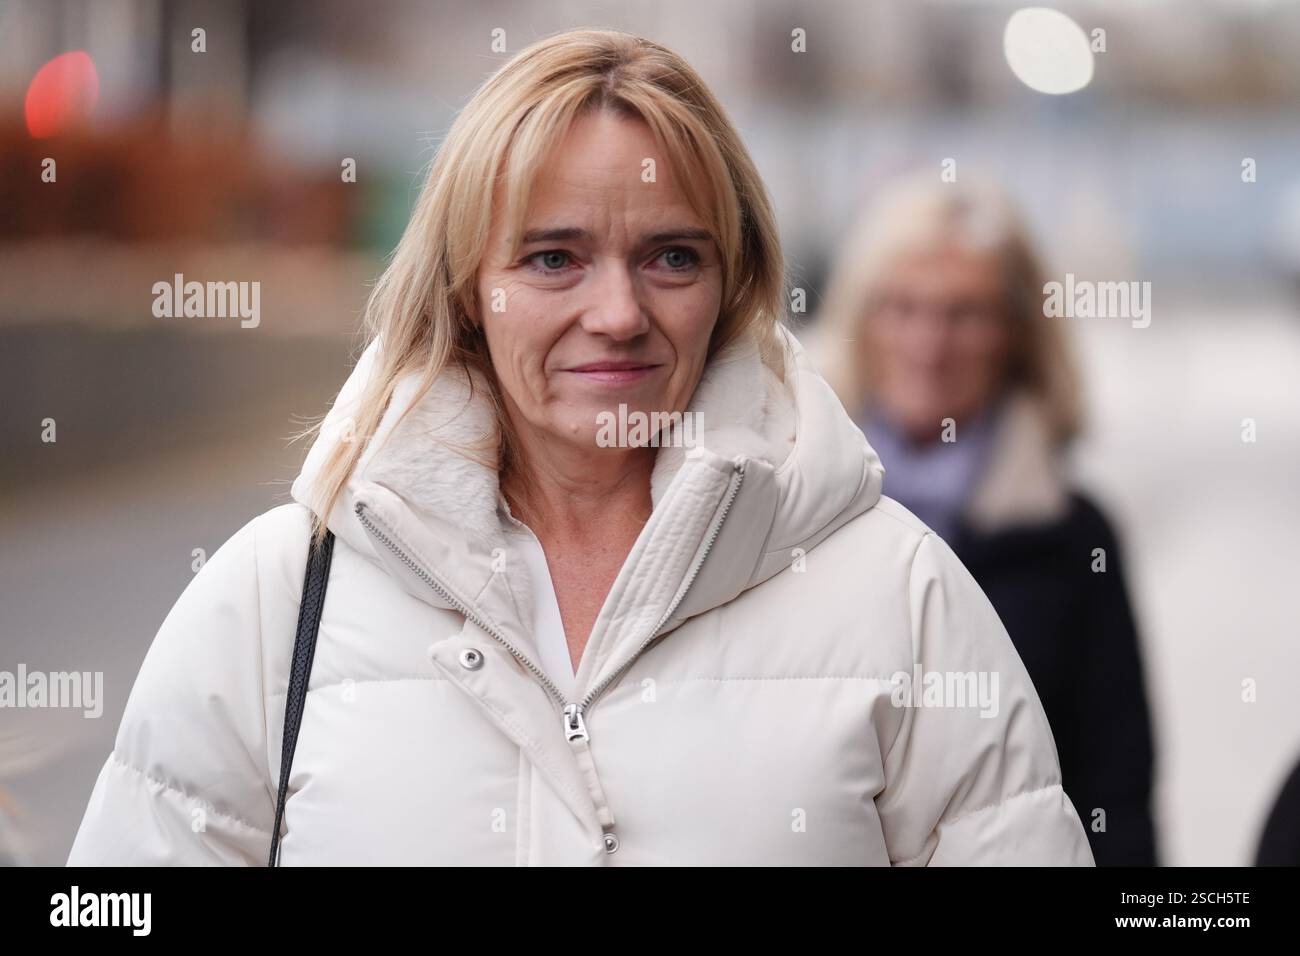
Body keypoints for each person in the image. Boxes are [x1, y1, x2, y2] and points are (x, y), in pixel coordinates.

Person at [66, 30, 1092, 866]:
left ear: (732, 283)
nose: (618, 313)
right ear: (468, 286)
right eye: (554, 257)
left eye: (672, 257)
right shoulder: (278, 598)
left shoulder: (900, 595)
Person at [808, 173, 1157, 865]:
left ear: (1018, 334)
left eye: (964, 313)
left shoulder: (1074, 536)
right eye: (900, 307)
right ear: (857, 320)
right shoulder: (790, 515)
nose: (928, 344)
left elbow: (1114, 798)